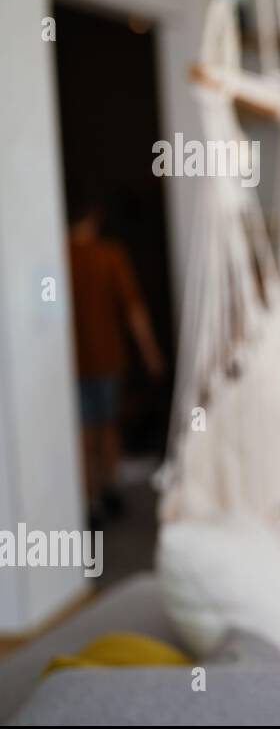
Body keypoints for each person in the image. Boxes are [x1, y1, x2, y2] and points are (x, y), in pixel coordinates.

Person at [66, 195, 165, 525]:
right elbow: (134, 311)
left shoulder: (60, 255)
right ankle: (108, 489)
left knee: (82, 434)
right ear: (94, 218)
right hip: (107, 360)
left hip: (73, 363)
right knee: (106, 428)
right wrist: (151, 355)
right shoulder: (109, 256)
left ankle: (92, 499)